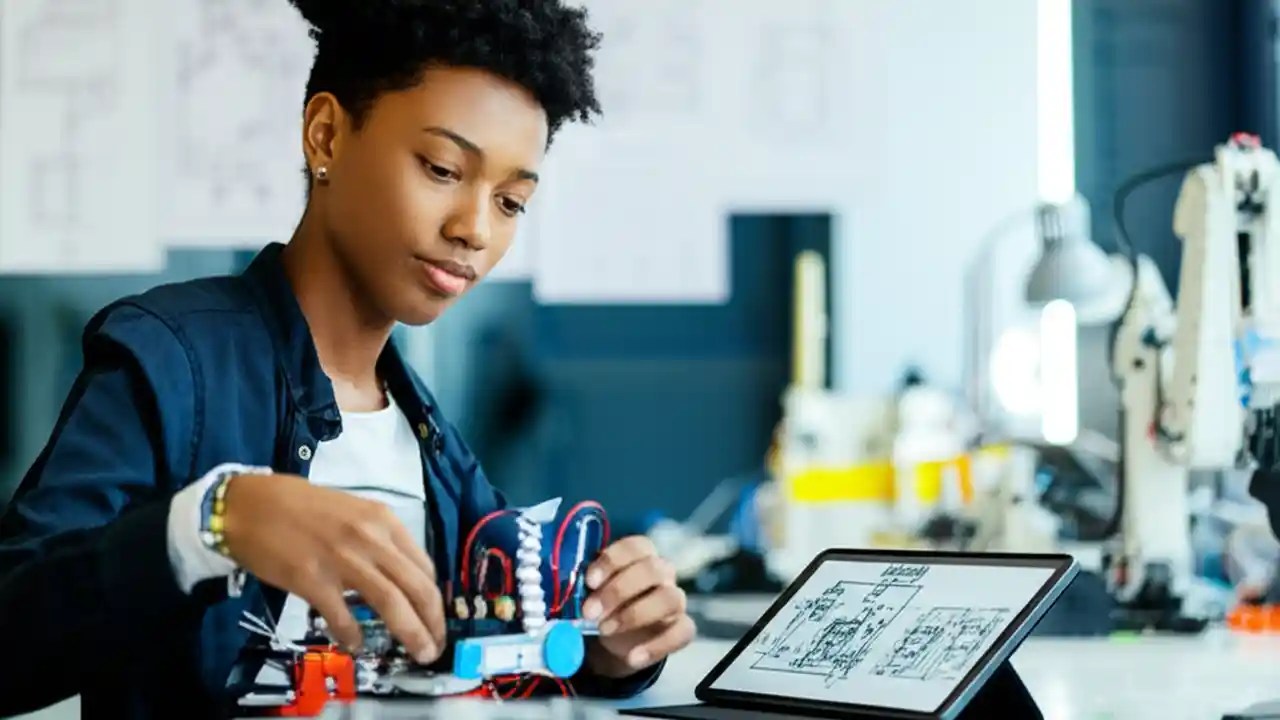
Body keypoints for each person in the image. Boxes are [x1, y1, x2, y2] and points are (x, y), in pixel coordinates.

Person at [0, 1, 694, 717]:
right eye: (442, 167)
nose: (474, 229)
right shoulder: (172, 359)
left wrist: (609, 645)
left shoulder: (428, 438)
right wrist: (213, 522)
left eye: (512, 202)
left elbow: (499, 656)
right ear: (326, 134)